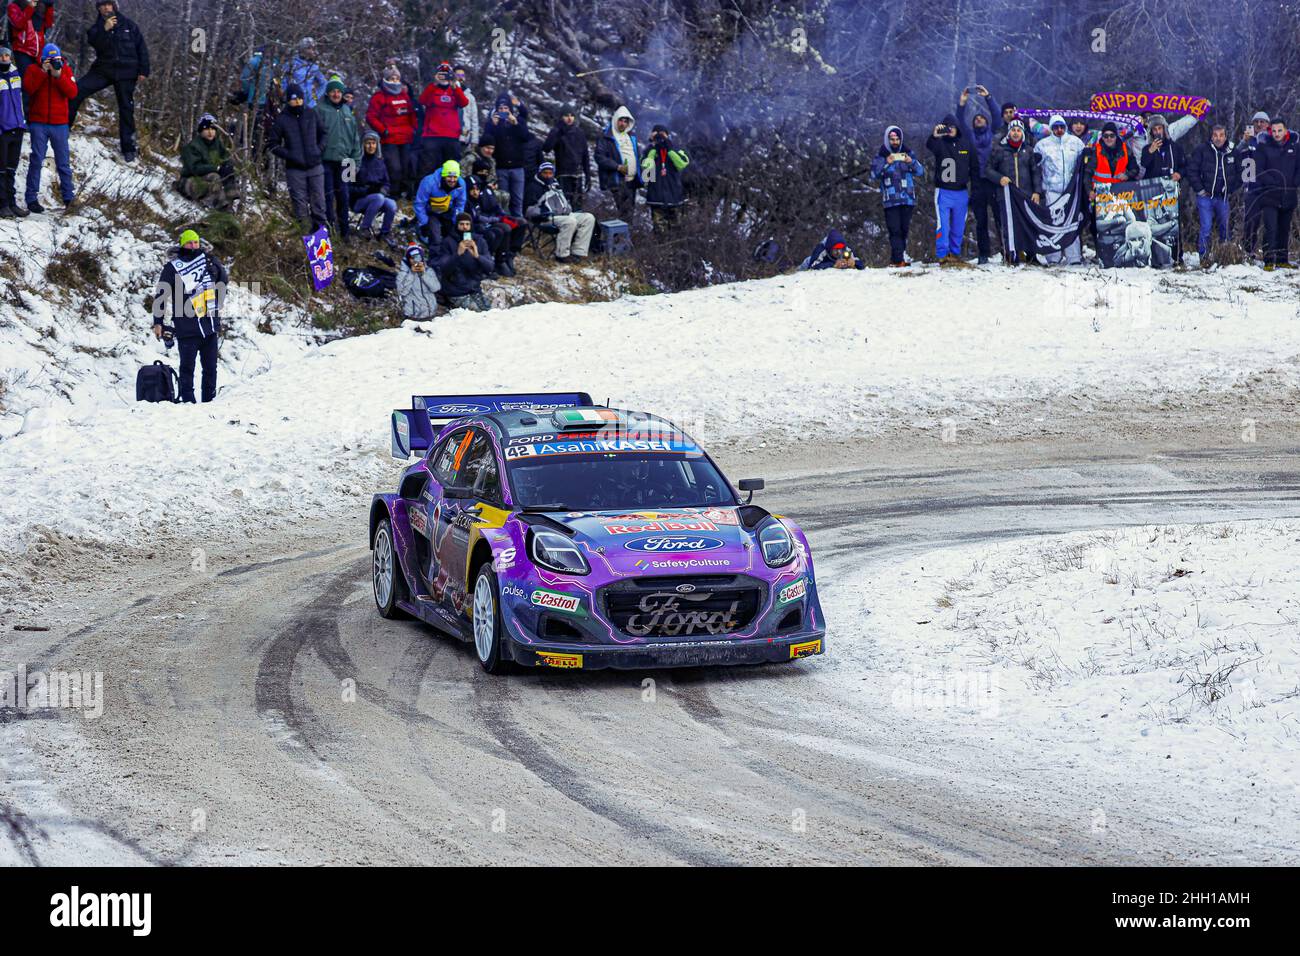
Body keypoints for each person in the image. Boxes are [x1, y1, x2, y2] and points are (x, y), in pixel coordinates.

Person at [151, 229, 228, 404]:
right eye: (189, 243)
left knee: (210, 368)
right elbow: (161, 295)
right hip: (186, 326)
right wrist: (158, 322)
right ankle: (188, 402)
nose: (193, 246)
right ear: (182, 245)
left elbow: (223, 281)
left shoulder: (208, 261)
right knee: (187, 368)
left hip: (209, 324)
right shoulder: (173, 267)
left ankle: (209, 401)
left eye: (195, 243)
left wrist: (214, 265)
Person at [68, 0, 148, 162]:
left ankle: (128, 148)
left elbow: (142, 47)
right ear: (98, 9)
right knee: (76, 90)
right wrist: (104, 30)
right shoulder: (96, 28)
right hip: (104, 70)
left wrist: (143, 70)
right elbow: (94, 43)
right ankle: (63, 128)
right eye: (102, 5)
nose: (106, 8)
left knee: (126, 108)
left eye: (109, 4)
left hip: (127, 71)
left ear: (114, 6)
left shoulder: (129, 25)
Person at [22, 42, 75, 214]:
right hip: (39, 122)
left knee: (63, 163)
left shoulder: (65, 70)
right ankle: (31, 199)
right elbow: (28, 89)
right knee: (36, 160)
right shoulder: (33, 69)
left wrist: (59, 75)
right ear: (43, 59)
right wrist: (43, 73)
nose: (54, 62)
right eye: (50, 60)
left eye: (57, 59)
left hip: (60, 123)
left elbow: (73, 92)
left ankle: (68, 198)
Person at [269, 83, 328, 232]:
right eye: (294, 100)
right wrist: (290, 155)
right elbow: (273, 144)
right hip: (295, 169)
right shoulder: (282, 119)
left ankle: (322, 242)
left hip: (315, 166)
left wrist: (318, 149)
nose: (297, 102)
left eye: (300, 99)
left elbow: (324, 134)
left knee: (319, 205)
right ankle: (305, 239)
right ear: (288, 101)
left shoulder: (311, 113)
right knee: (300, 207)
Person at [985, 120, 1041, 264]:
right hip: (1006, 195)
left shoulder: (1028, 150)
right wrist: (999, 178)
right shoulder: (1000, 150)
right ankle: (1011, 255)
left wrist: (1037, 192)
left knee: (1028, 225)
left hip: (1026, 195)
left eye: (1018, 130)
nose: (1015, 133)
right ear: (1009, 133)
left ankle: (1031, 255)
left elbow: (1035, 172)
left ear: (1022, 133)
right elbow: (988, 169)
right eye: (1013, 130)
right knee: (1009, 225)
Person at [1033, 114, 1085, 264]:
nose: (1059, 129)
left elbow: (1084, 163)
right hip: (1052, 190)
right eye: (1056, 127)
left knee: (1071, 222)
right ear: (1051, 128)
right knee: (1053, 223)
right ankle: (1053, 257)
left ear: (1065, 127)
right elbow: (1035, 166)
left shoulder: (1076, 142)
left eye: (1062, 126)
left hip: (1071, 190)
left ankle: (1073, 257)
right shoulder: (1042, 145)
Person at [871, 124, 924, 267]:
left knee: (904, 229)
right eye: (892, 139)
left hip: (907, 198)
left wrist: (910, 161)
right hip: (891, 199)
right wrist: (886, 163)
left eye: (897, 139)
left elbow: (920, 171)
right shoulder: (881, 155)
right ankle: (897, 259)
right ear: (887, 140)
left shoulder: (907, 153)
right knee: (894, 229)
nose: (895, 142)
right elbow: (874, 174)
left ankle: (898, 258)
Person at [957, 85, 999, 263]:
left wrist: (988, 97)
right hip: (977, 183)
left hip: (993, 181)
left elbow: (997, 116)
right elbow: (960, 120)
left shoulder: (993, 134)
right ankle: (984, 254)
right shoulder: (969, 136)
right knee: (981, 221)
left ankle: (1007, 251)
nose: (979, 120)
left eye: (982, 118)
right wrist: (962, 103)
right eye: (976, 119)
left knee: (1000, 219)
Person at [1187, 125, 1242, 259]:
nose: (1218, 138)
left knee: (1225, 227)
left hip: (1223, 197)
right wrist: (1199, 189)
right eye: (1215, 135)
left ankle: (1225, 256)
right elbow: (1192, 170)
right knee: (1206, 227)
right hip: (1205, 196)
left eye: (1221, 135)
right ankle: (1203, 257)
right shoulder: (1202, 150)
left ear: (1225, 136)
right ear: (1211, 136)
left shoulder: (1232, 151)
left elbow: (1240, 173)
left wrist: (1230, 188)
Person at [926, 114, 975, 261]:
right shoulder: (940, 143)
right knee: (943, 225)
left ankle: (955, 253)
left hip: (961, 192)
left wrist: (975, 189)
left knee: (959, 227)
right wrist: (934, 136)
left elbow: (974, 166)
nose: (951, 130)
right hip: (943, 191)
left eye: (953, 127)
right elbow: (930, 145)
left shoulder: (966, 144)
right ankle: (943, 255)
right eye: (948, 127)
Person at [525, 161, 596, 262]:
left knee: (588, 218)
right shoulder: (533, 187)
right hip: (546, 217)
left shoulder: (555, 184)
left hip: (564, 214)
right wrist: (541, 213)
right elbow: (528, 209)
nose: (548, 175)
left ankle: (578, 252)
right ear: (540, 173)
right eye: (545, 173)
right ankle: (562, 255)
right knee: (570, 221)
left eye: (550, 173)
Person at [316, 77, 360, 241]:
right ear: (328, 93)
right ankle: (329, 229)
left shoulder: (348, 111)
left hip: (347, 162)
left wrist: (356, 161)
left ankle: (345, 231)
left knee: (344, 196)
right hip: (325, 160)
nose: (336, 94)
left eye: (339, 91)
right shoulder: (319, 110)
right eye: (333, 91)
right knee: (327, 196)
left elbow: (356, 138)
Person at [366, 65, 418, 199]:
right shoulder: (379, 97)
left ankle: (405, 193)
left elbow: (411, 114)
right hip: (390, 139)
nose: (395, 81)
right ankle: (393, 194)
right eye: (391, 78)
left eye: (397, 78)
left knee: (407, 166)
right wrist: (384, 130)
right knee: (394, 168)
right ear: (386, 79)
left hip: (406, 137)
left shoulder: (404, 95)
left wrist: (413, 128)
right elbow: (371, 117)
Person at [1255, 118, 1299, 270]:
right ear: (1270, 131)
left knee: (1284, 229)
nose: (1277, 134)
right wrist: (1271, 182)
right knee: (1271, 228)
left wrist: (1295, 182)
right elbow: (1258, 171)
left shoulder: (1294, 145)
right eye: (1273, 131)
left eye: (1279, 130)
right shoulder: (1263, 146)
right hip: (1269, 195)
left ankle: (1282, 260)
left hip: (1289, 195)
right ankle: (1268, 261)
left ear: (1286, 130)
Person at [435, 211, 496, 311]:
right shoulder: (448, 242)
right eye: (461, 224)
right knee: (477, 314)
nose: (464, 227)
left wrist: (477, 256)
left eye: (467, 224)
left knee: (491, 312)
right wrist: (457, 254)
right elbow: (443, 269)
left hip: (474, 289)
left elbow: (490, 267)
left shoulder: (479, 241)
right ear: (457, 225)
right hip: (455, 291)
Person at [483, 93, 532, 217]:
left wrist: (515, 123)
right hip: (501, 167)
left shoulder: (518, 121)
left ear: (510, 110)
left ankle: (518, 228)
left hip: (517, 167)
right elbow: (486, 141)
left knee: (517, 201)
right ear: (496, 110)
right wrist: (492, 125)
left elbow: (526, 137)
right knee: (503, 201)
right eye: (500, 109)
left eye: (506, 109)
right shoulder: (493, 123)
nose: (503, 111)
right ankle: (505, 227)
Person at [418, 61, 468, 179]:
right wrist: (434, 84)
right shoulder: (432, 88)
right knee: (429, 167)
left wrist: (455, 86)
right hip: (432, 135)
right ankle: (426, 192)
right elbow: (422, 101)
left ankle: (450, 192)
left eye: (446, 74)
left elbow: (464, 103)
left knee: (451, 167)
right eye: (441, 73)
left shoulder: (454, 90)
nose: (444, 76)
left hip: (451, 135)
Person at [466, 174, 524, 276]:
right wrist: (496, 219)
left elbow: (495, 207)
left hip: (487, 223)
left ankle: (508, 255)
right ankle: (495, 260)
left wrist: (503, 216)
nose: (475, 192)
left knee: (520, 223)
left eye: (477, 189)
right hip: (477, 228)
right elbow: (478, 217)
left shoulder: (484, 193)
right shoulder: (468, 201)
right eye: (472, 189)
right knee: (501, 230)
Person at [179, 112, 238, 210]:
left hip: (207, 179)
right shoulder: (193, 146)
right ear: (201, 130)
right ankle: (219, 206)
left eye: (212, 129)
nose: (210, 132)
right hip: (190, 180)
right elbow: (194, 168)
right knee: (214, 177)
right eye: (206, 129)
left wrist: (227, 166)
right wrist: (215, 168)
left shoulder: (217, 144)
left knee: (228, 172)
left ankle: (230, 200)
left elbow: (226, 157)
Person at [595, 105, 641, 225]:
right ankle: (617, 240)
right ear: (615, 120)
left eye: (626, 121)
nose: (623, 123)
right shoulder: (606, 137)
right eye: (621, 120)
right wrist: (618, 167)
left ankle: (627, 239)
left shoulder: (632, 138)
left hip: (632, 181)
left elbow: (637, 156)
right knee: (621, 213)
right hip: (616, 181)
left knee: (630, 213)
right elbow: (599, 157)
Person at [640, 123, 689, 230]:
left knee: (676, 227)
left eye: (662, 135)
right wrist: (653, 147)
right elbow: (646, 172)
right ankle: (660, 246)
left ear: (668, 135)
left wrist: (670, 149)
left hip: (674, 195)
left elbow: (681, 165)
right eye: (657, 135)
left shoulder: (676, 149)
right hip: (656, 196)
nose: (660, 138)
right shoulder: (649, 151)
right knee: (659, 229)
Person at [1238, 110, 1272, 258]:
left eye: (1262, 122)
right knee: (1251, 221)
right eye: (1256, 122)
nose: (1259, 124)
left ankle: (1270, 253)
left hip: (1271, 187)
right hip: (1252, 187)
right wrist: (1244, 141)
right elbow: (1236, 154)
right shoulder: (1249, 140)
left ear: (1267, 124)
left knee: (1271, 222)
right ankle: (1248, 252)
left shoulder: (1273, 140)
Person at [7, 1, 54, 106]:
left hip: (38, 52)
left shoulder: (40, 8)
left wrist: (49, 6)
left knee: (37, 83)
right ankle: (25, 115)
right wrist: (30, 8)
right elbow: (18, 23)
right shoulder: (14, 6)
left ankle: (33, 114)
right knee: (28, 83)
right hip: (22, 49)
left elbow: (48, 24)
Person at [543, 105, 590, 208]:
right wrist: (556, 133)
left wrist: (588, 175)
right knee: (563, 205)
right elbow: (546, 148)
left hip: (577, 174)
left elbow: (585, 155)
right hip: (563, 174)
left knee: (577, 207)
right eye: (566, 116)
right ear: (561, 117)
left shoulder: (579, 133)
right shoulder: (557, 131)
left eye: (572, 115)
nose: (569, 118)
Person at [352, 131, 397, 239]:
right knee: (379, 198)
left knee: (392, 204)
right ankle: (364, 228)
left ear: (377, 145)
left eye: (373, 143)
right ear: (363, 144)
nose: (371, 146)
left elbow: (387, 183)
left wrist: (382, 190)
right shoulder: (354, 161)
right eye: (368, 143)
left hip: (377, 197)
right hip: (358, 200)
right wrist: (366, 190)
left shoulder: (380, 162)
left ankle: (384, 233)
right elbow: (346, 187)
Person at [413, 158, 467, 246]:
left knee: (456, 237)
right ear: (443, 176)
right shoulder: (429, 182)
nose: (452, 180)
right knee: (436, 240)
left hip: (448, 211)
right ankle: (419, 227)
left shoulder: (461, 184)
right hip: (431, 212)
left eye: (455, 177)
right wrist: (424, 222)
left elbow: (460, 204)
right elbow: (419, 204)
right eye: (449, 177)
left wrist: (455, 221)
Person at [0, 45, 26, 218]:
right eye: (1, 55)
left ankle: (11, 202)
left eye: (7, 55)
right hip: (3, 130)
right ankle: (2, 204)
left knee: (11, 169)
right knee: (1, 169)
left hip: (18, 127)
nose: (4, 58)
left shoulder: (16, 74)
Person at [397, 242, 440, 320]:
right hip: (413, 316)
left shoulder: (428, 271)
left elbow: (436, 288)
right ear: (408, 259)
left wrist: (424, 274)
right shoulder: (403, 274)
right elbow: (402, 292)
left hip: (431, 313)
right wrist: (411, 274)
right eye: (412, 258)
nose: (415, 261)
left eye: (418, 257)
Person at [280, 37, 327, 108]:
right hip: (294, 104)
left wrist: (314, 98)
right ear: (303, 49)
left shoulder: (314, 66)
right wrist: (289, 97)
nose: (313, 51)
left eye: (313, 49)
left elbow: (324, 83)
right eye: (309, 48)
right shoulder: (292, 63)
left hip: (309, 105)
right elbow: (283, 82)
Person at [798, 229, 866, 270]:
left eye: (841, 249)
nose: (839, 252)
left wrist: (854, 263)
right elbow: (812, 266)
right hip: (806, 264)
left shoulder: (847, 249)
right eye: (836, 249)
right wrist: (833, 264)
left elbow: (861, 264)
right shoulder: (821, 249)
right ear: (830, 249)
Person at [454, 63, 479, 154]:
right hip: (448, 135)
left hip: (464, 137)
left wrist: (475, 140)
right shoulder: (448, 92)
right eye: (458, 75)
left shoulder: (470, 97)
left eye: (462, 75)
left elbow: (474, 119)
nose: (460, 77)